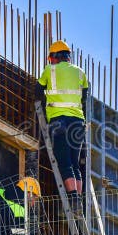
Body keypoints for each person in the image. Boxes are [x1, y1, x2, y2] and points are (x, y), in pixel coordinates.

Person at [36, 41, 89, 201]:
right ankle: (78, 201)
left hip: (58, 121)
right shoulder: (81, 73)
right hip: (78, 122)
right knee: (75, 164)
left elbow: (37, 92)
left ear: (53, 57)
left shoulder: (49, 70)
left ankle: (72, 199)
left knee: (64, 162)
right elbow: (84, 99)